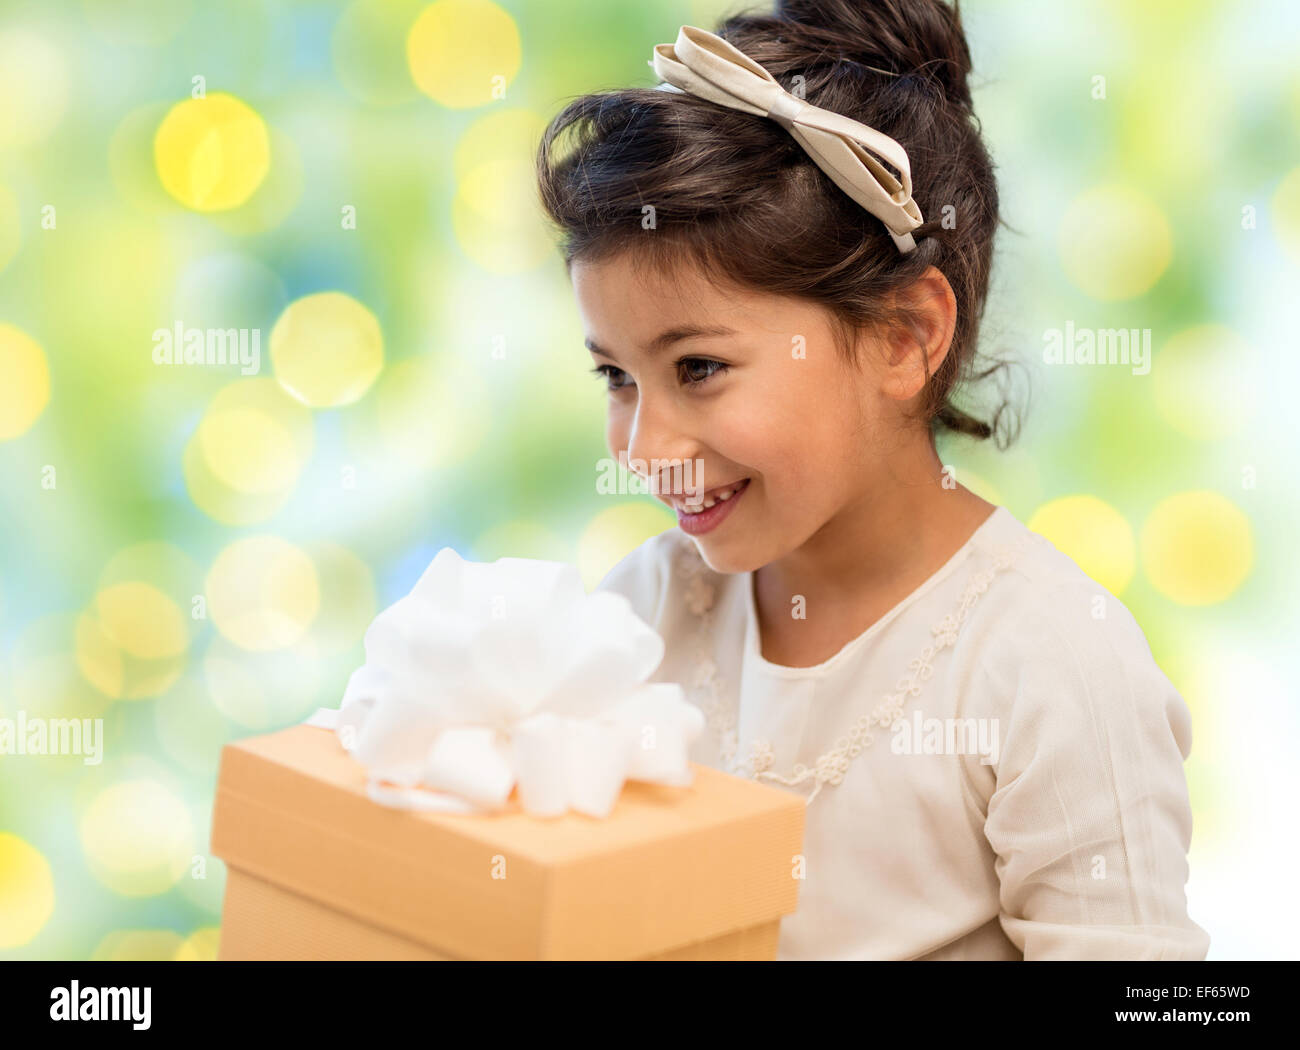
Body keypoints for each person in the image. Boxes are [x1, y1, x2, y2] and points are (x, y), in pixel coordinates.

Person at [535, 0, 1209, 961]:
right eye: (616, 376)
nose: (642, 447)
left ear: (904, 338)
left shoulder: (1051, 667)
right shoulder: (642, 615)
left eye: (697, 369)